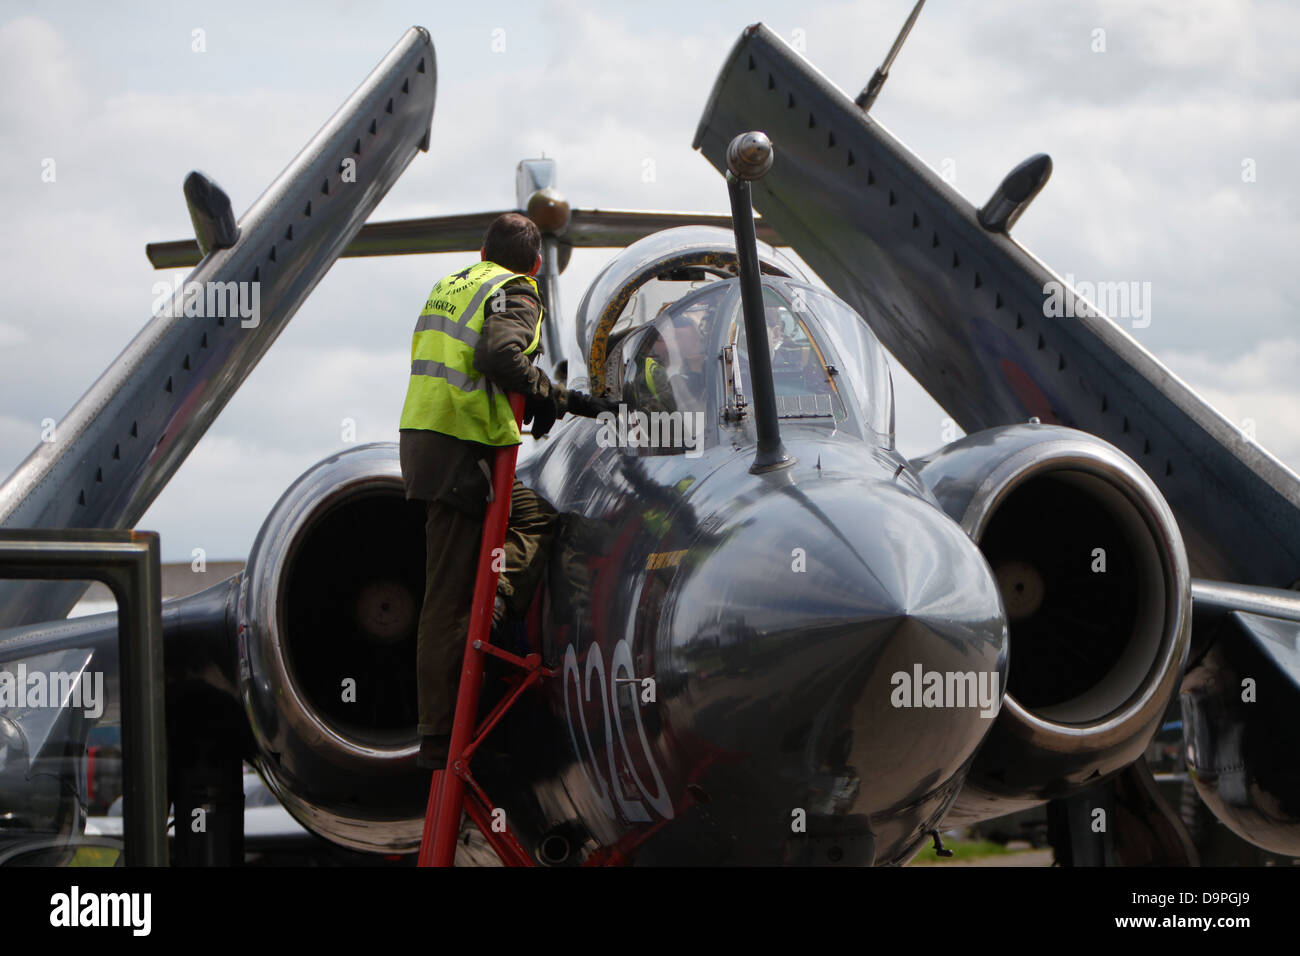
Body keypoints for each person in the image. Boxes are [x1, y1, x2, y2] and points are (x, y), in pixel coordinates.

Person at [397, 212, 606, 769]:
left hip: (430, 441)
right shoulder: (518, 292)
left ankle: (484, 612)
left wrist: (547, 400)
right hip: (463, 448)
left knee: (533, 516)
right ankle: (440, 730)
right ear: (537, 264)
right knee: (448, 599)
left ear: (481, 250)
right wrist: (547, 393)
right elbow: (498, 355)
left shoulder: (456, 284)